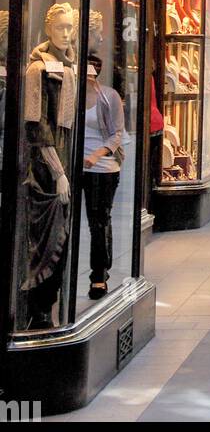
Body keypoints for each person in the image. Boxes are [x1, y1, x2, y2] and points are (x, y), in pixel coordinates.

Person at [81, 55, 125, 301]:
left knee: (97, 221)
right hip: (77, 167)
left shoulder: (109, 97)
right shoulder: (71, 95)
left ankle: (98, 275)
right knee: (94, 221)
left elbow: (117, 134)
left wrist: (97, 155)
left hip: (103, 167)